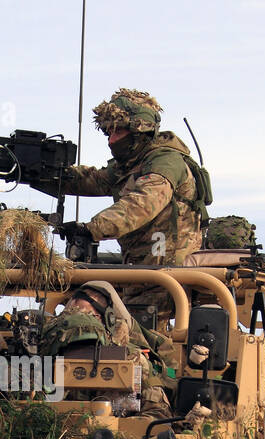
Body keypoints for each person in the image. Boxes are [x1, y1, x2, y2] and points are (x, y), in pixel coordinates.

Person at [40, 89, 206, 271]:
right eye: (108, 132)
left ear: (139, 129)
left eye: (118, 131)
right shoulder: (130, 165)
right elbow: (89, 180)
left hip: (171, 277)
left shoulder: (165, 162)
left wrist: (91, 229)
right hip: (140, 272)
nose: (111, 140)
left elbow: (142, 204)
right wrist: (38, 172)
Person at [38, 282, 171, 414]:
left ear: (106, 320)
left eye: (88, 316)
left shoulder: (131, 360)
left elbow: (157, 414)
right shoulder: (48, 357)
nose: (79, 323)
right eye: (71, 314)